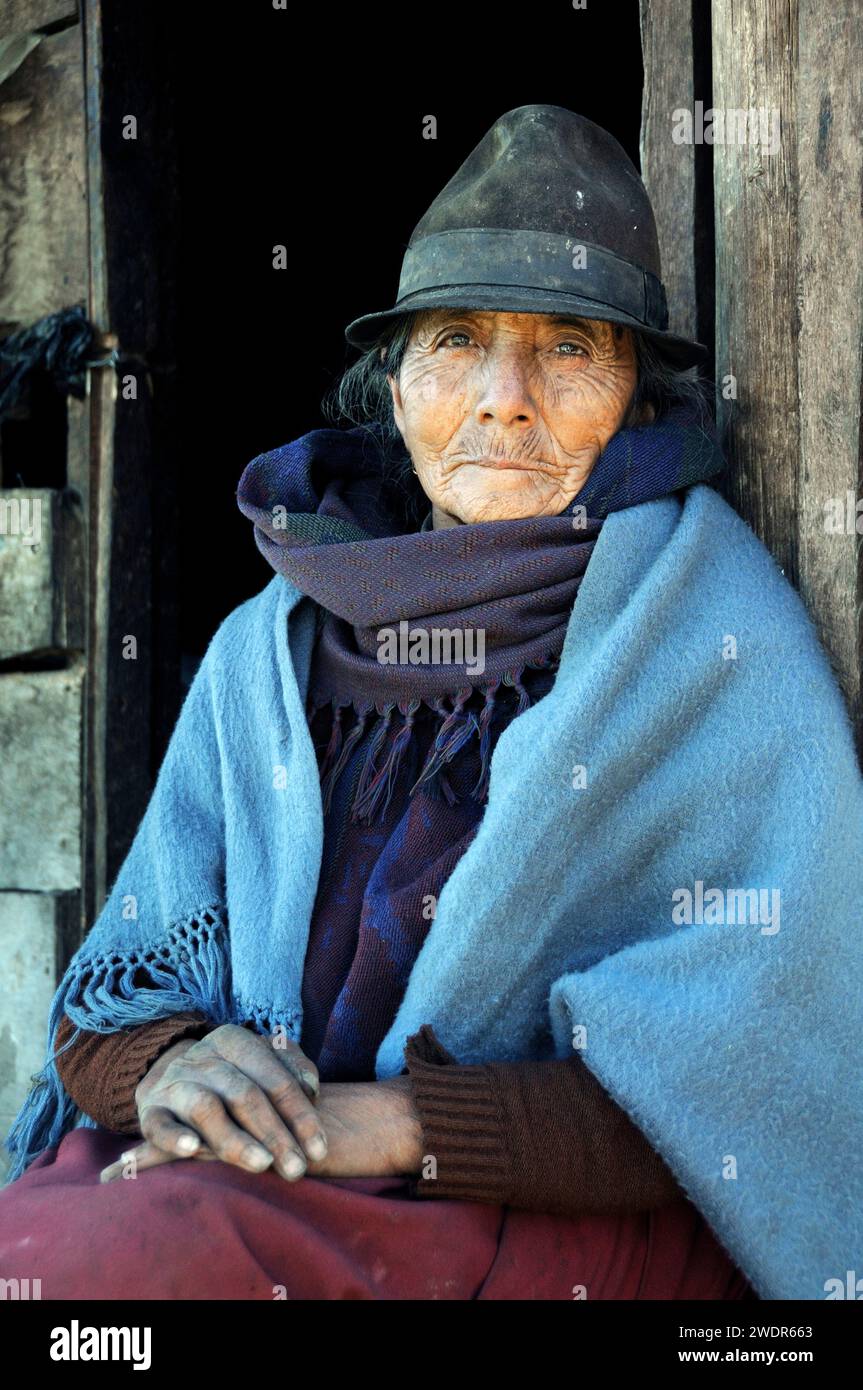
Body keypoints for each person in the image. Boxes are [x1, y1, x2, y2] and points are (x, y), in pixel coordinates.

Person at [2, 105, 861, 1302]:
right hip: (256, 1167)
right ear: (392, 390)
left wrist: (398, 1124)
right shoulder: (271, 647)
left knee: (134, 1266)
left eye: (568, 347)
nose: (503, 397)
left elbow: (761, 1086)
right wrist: (178, 1068)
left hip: (538, 1212)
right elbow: (110, 1001)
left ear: (638, 402)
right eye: (455, 340)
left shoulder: (703, 642)